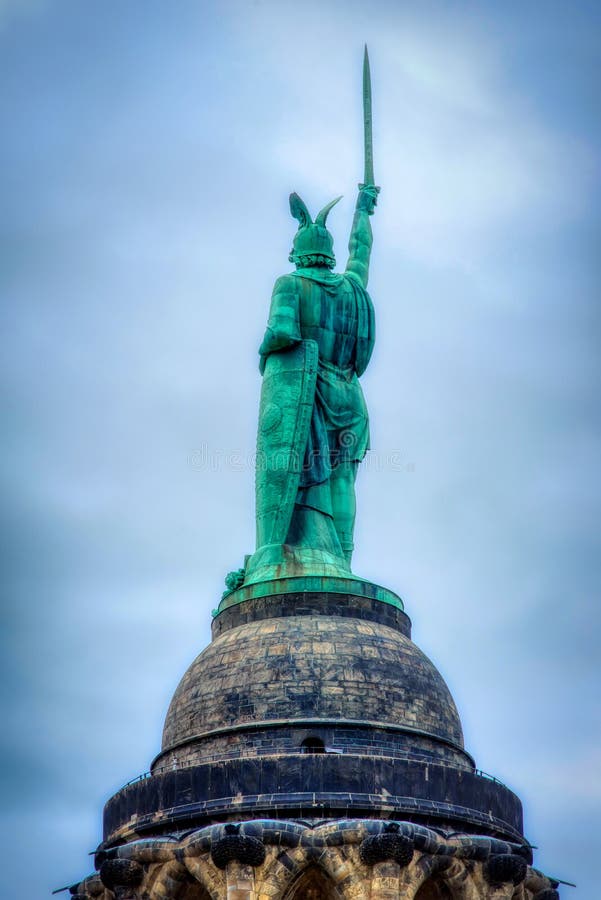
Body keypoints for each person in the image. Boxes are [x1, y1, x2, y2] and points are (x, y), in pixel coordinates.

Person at [257, 183, 379, 565]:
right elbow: (361, 252)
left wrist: (265, 356)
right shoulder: (352, 288)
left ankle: (310, 548)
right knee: (343, 478)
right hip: (350, 398)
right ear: (328, 254)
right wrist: (363, 210)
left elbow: (281, 333)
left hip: (311, 393)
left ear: (298, 253)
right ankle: (343, 559)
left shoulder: (289, 285)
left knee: (306, 473)